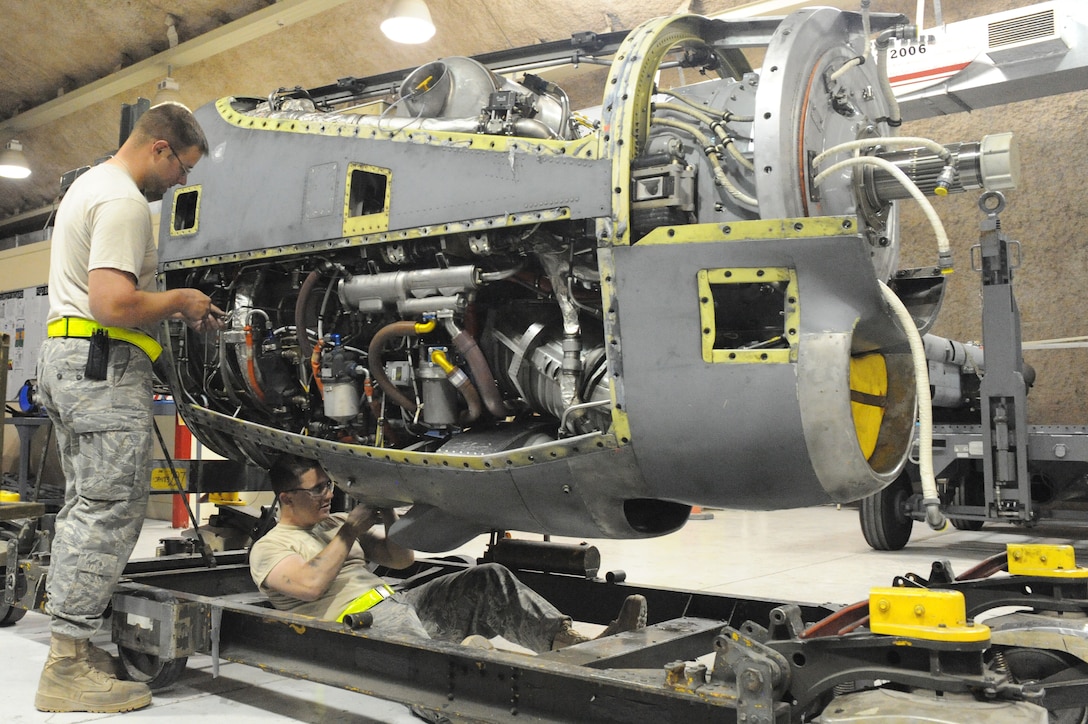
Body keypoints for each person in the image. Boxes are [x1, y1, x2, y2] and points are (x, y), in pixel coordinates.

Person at [34, 102, 225, 714]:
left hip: (70, 359)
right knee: (108, 511)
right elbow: (114, 303)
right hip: (101, 364)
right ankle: (65, 667)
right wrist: (182, 302)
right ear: (161, 148)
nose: (181, 185)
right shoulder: (122, 201)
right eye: (183, 170)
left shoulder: (88, 185)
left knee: (88, 505)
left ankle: (77, 647)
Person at [249, 455, 647, 653]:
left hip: (399, 604)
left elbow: (401, 561)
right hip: (354, 626)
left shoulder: (332, 525)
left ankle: (574, 646)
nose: (328, 494)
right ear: (286, 497)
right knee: (436, 671)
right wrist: (352, 527)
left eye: (327, 486)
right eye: (316, 489)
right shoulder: (270, 547)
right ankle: (473, 680)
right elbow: (311, 584)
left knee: (488, 577)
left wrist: (387, 512)